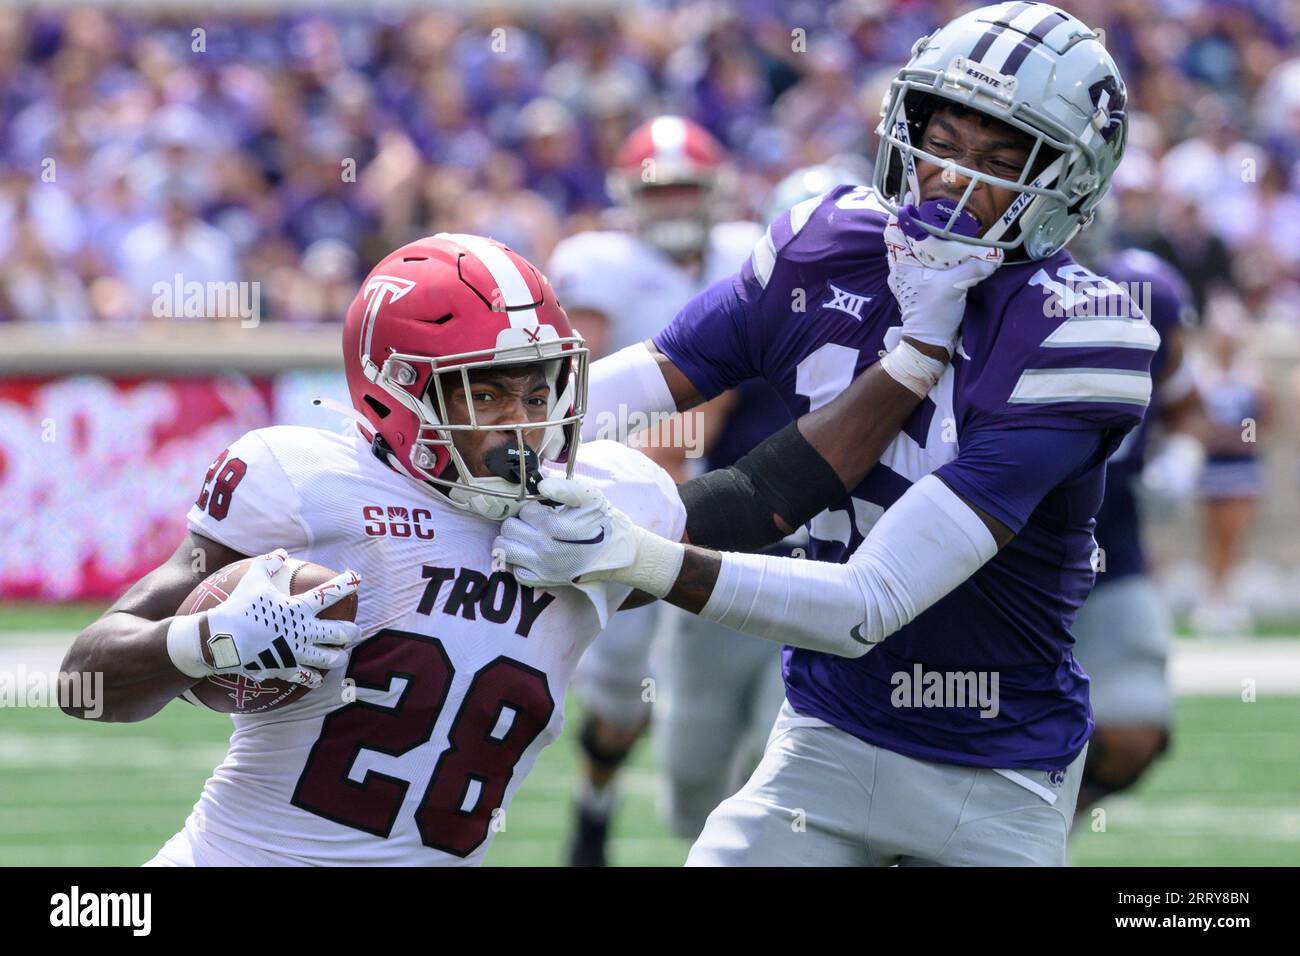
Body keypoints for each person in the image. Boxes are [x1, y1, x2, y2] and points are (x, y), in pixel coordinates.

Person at [496, 3, 1148, 865]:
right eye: (941, 140)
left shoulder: (1076, 332)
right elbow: (637, 385)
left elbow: (868, 606)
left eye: (1001, 161)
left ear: (1067, 184)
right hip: (822, 741)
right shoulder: (825, 246)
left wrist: (634, 555)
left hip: (995, 776)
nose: (950, 178)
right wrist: (495, 441)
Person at [58, 233, 686, 866]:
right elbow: (83, 681)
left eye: (537, 394)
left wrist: (634, 551)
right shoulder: (307, 484)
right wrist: (207, 638)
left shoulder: (589, 514)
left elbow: (750, 517)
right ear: (398, 389)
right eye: (486, 394)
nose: (518, 425)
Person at [543, 115, 775, 864]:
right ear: (627, 197)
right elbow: (569, 379)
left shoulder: (748, 250)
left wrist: (685, 444)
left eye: (687, 189)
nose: (674, 205)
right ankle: (596, 797)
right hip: (613, 498)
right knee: (616, 695)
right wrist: (648, 458)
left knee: (740, 680)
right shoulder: (600, 263)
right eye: (660, 191)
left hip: (725, 502)